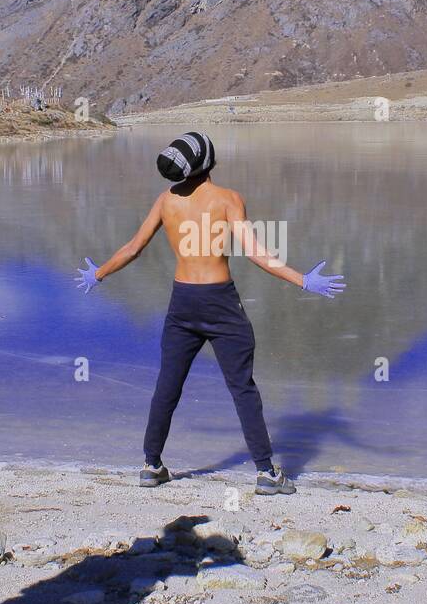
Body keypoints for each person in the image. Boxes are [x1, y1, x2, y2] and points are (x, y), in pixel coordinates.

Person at [75, 132, 345, 495]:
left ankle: (151, 466)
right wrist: (303, 281)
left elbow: (134, 248)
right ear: (211, 162)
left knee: (167, 385)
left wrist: (99, 274)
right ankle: (266, 473)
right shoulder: (228, 199)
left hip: (182, 301)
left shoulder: (166, 200)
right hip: (220, 303)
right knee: (242, 387)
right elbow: (255, 253)